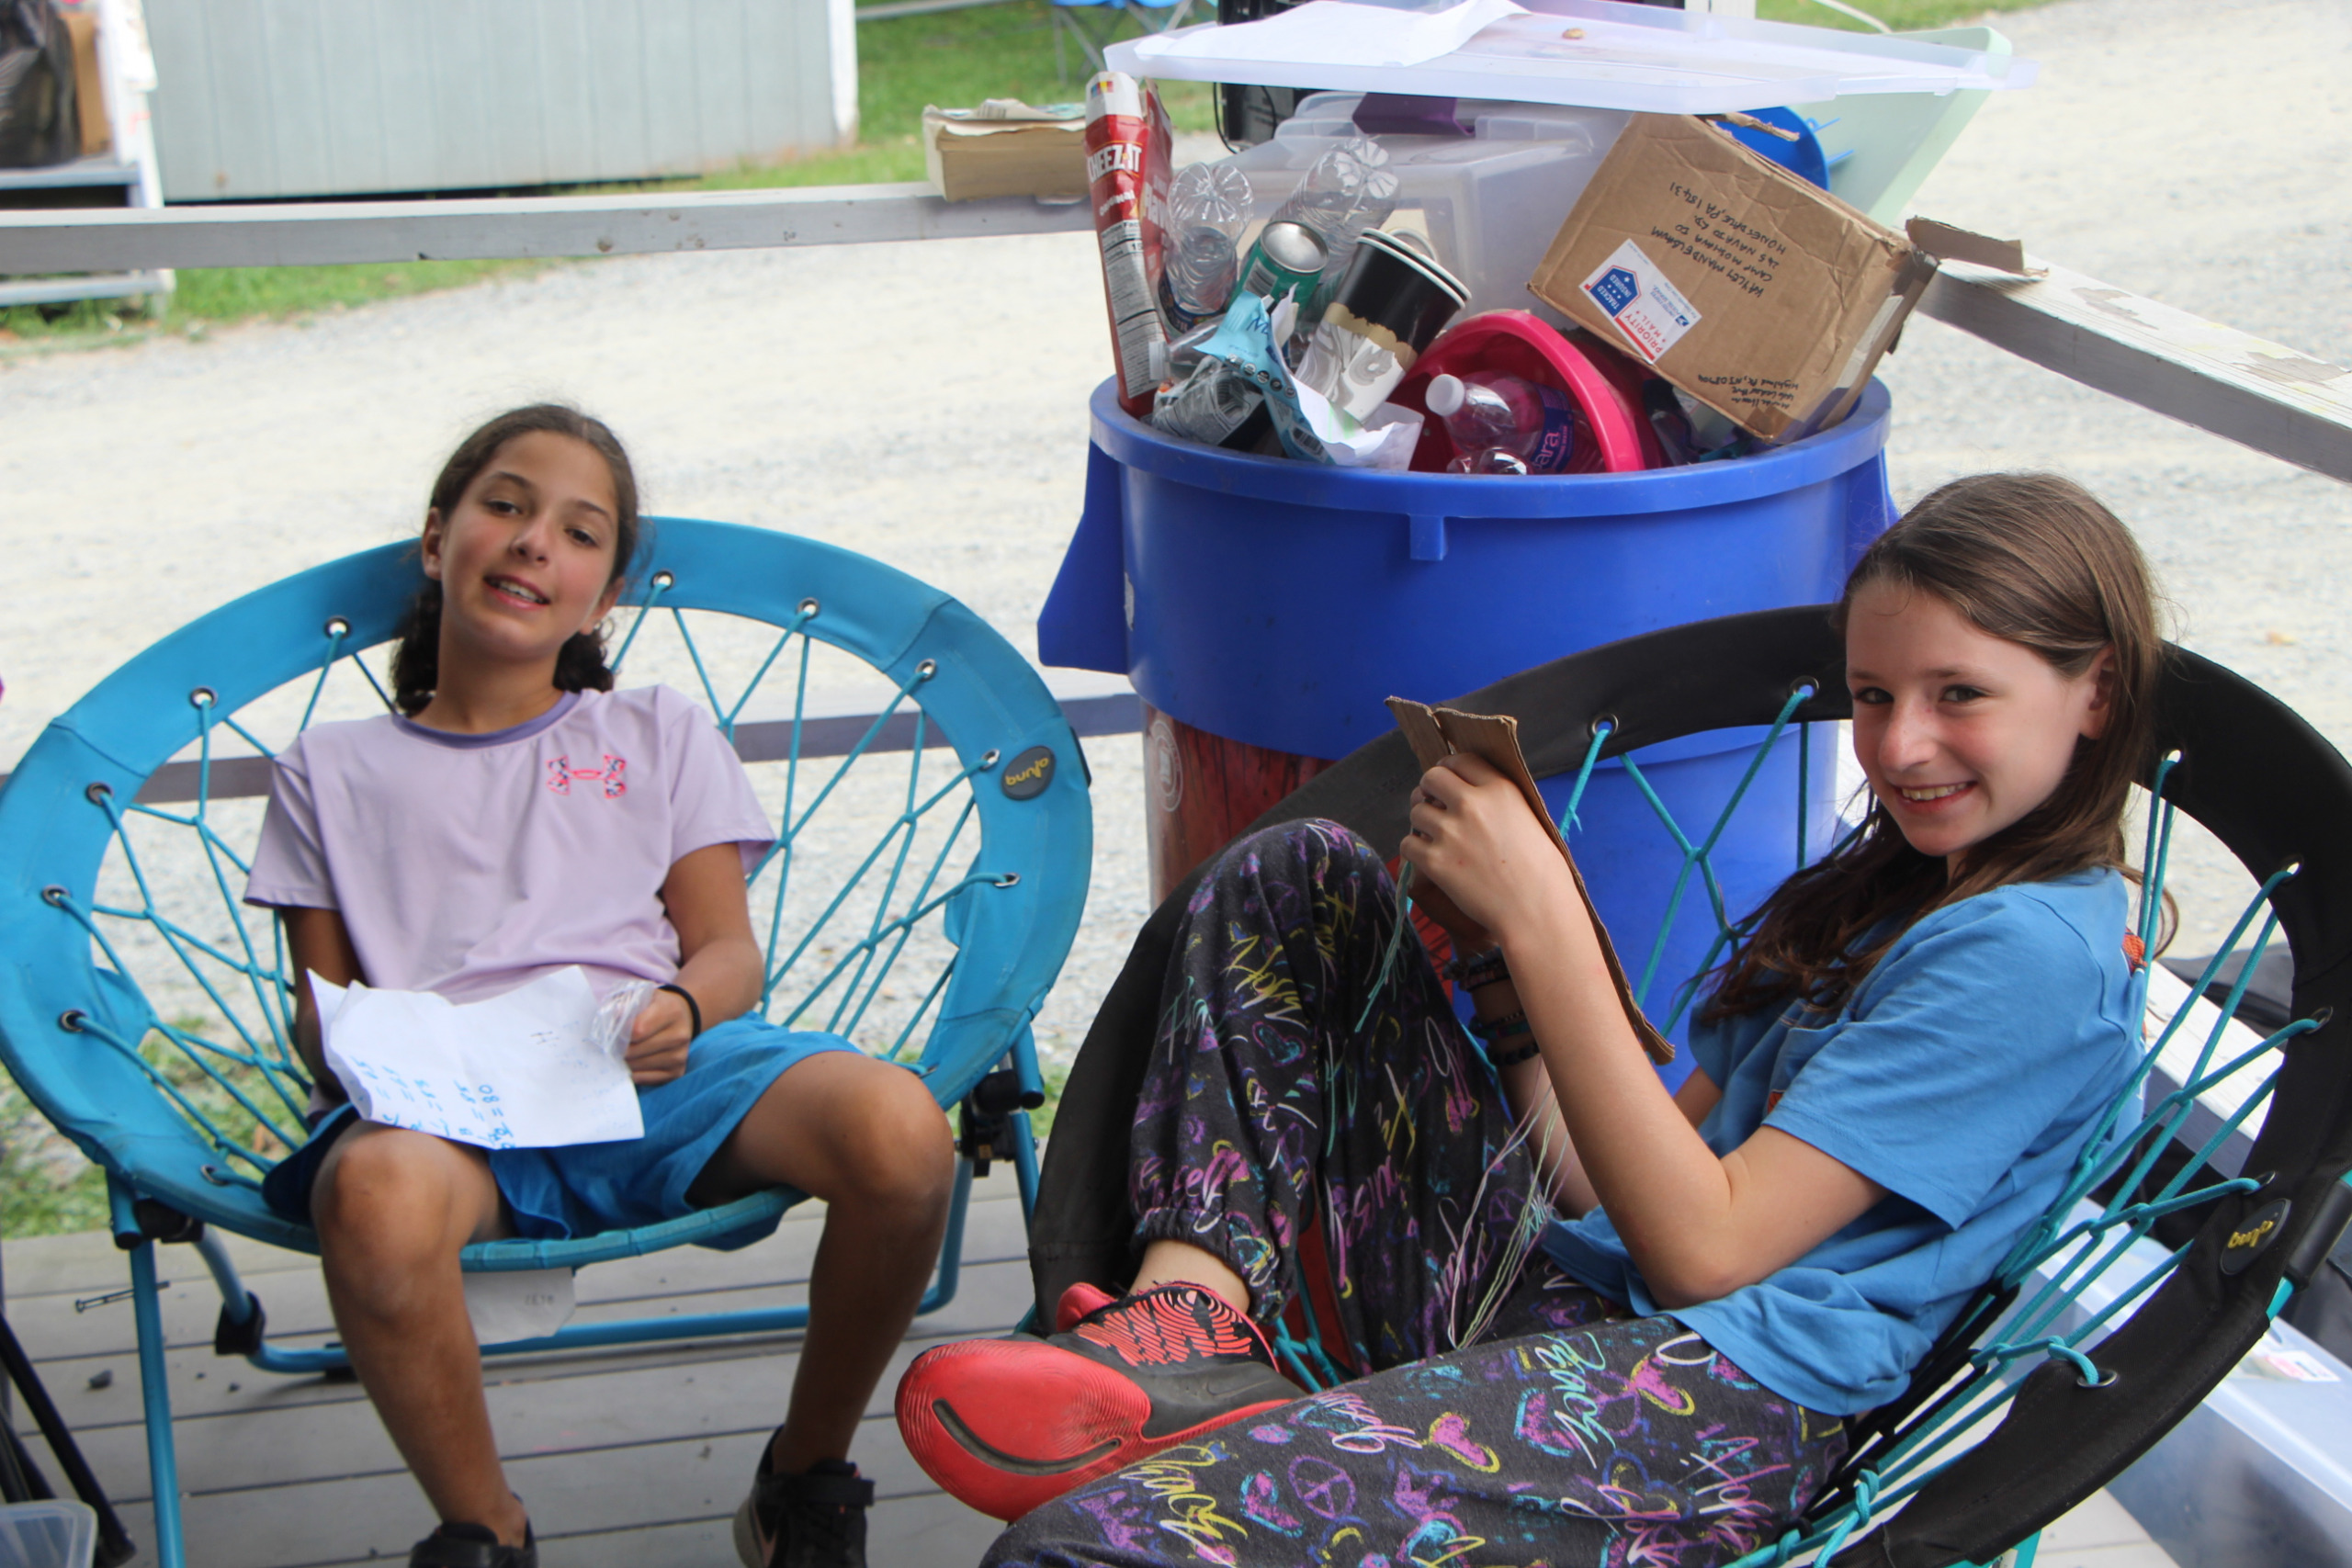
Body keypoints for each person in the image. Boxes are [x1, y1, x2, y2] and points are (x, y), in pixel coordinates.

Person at [894, 472, 2157, 1565]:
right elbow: (1611, 1192)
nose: (1903, 741)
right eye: (1875, 694)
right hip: (1586, 1305)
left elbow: (1708, 1255)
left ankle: (1209, 1409)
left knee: (1082, 1545)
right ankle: (1182, 1328)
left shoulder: (2028, 953)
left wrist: (1551, 919)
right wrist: (1505, 976)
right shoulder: (1882, 899)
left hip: (1716, 1408)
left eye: (1961, 694)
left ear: (2093, 694)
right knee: (1298, 876)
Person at [243, 404, 954, 1568]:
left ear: (602, 595)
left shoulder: (656, 730)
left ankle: (805, 1477)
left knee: (900, 1130)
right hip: (455, 1116)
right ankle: (486, 1531)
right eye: (506, 506)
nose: (534, 543)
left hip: (651, 1070)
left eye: (579, 533)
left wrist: (680, 1008)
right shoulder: (330, 770)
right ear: (439, 539)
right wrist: (391, 1055)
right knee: (369, 1196)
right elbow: (326, 1017)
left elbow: (728, 953)